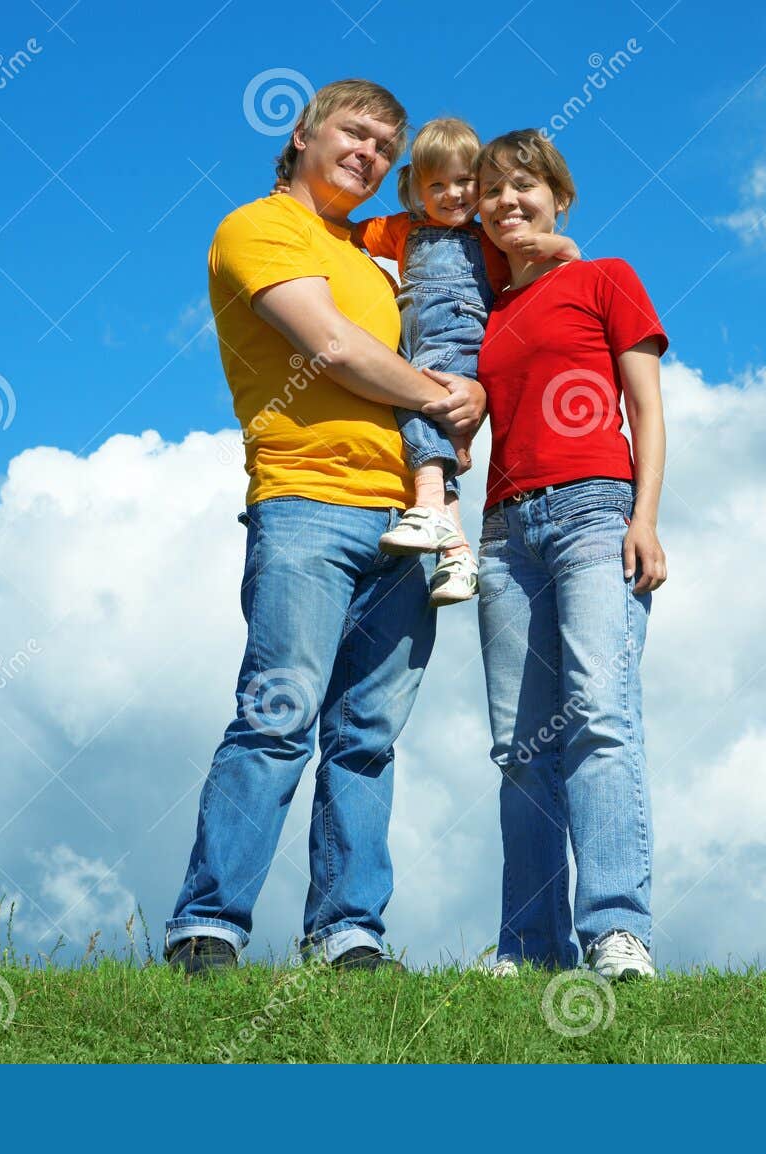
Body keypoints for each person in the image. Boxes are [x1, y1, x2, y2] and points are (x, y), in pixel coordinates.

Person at [165, 79, 486, 974]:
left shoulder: (385, 255)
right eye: (356, 134)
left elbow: (433, 350)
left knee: (368, 738)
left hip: (408, 517)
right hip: (306, 502)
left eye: (387, 148)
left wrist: (467, 395)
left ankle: (348, 937)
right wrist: (449, 396)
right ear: (303, 133)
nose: (372, 156)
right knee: (277, 716)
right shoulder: (260, 228)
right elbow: (335, 349)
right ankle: (209, 929)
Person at [473, 129, 669, 981]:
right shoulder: (488, 308)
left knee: (599, 715)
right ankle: (530, 945)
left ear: (560, 196)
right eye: (493, 192)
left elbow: (648, 409)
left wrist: (646, 516)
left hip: (596, 509)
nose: (509, 202)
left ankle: (617, 931)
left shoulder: (605, 278)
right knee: (519, 749)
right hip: (503, 533)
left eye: (527, 187)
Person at [349, 117, 577, 605]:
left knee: (419, 405)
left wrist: (565, 247)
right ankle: (456, 553)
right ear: (416, 188)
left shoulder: (489, 241)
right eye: (437, 185)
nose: (452, 194)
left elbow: (537, 270)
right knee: (412, 411)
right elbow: (344, 236)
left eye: (464, 182)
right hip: (415, 345)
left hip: (460, 343)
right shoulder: (400, 230)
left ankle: (429, 506)